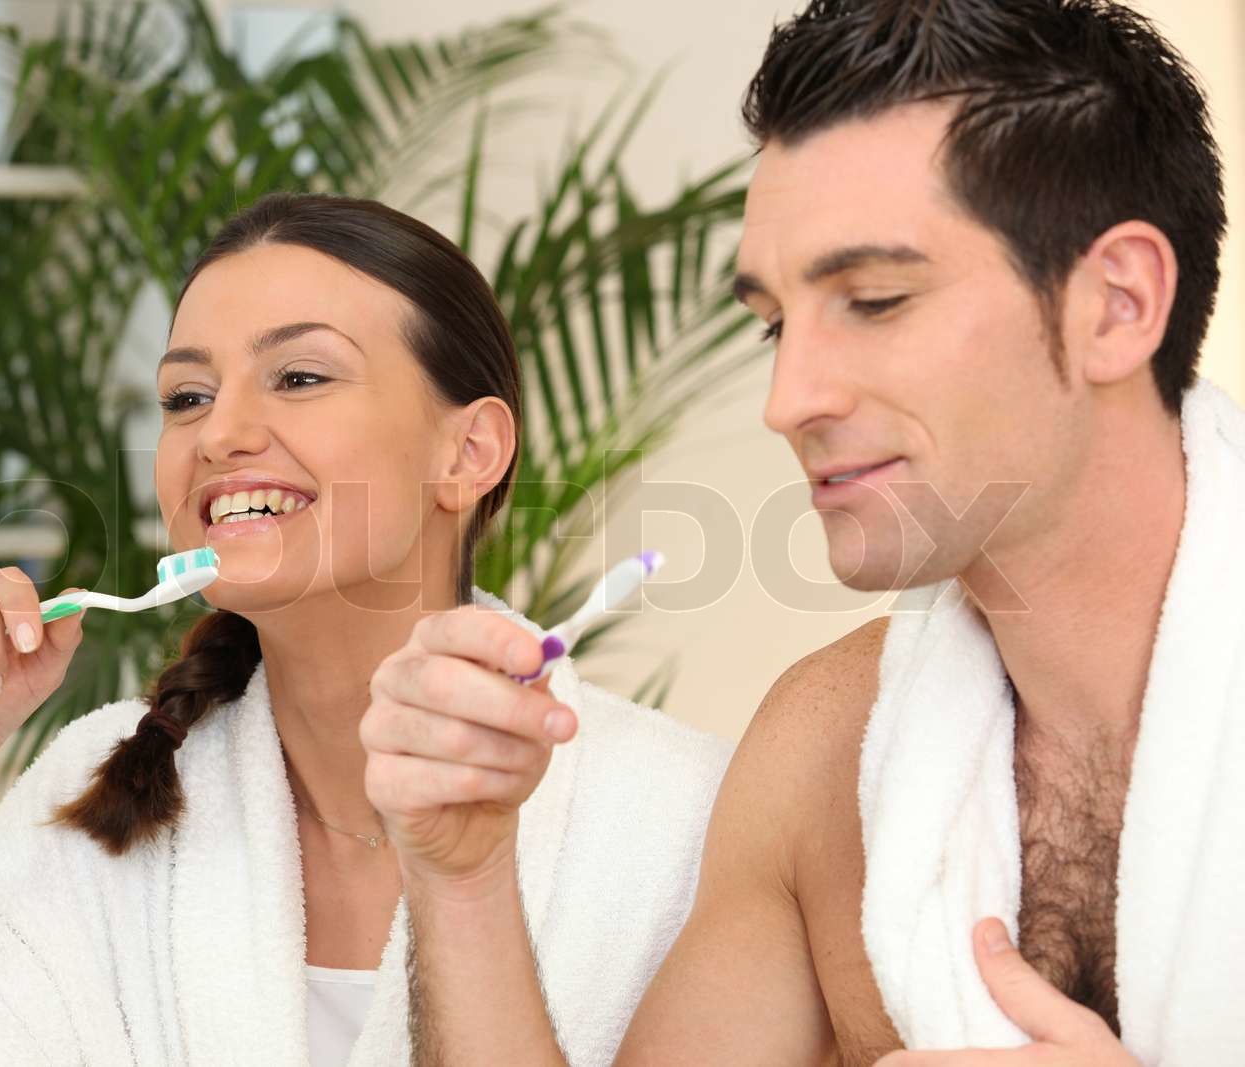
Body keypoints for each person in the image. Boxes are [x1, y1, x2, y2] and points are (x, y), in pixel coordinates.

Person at [376, 2, 1243, 1064]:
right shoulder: (824, 755)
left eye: (873, 299)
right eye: (776, 324)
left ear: (1114, 303)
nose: (787, 398)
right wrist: (458, 872)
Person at [0, 193, 728, 1066]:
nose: (219, 433)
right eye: (186, 395)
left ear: (469, 451)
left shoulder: (677, 815)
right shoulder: (100, 790)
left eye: (301, 376)